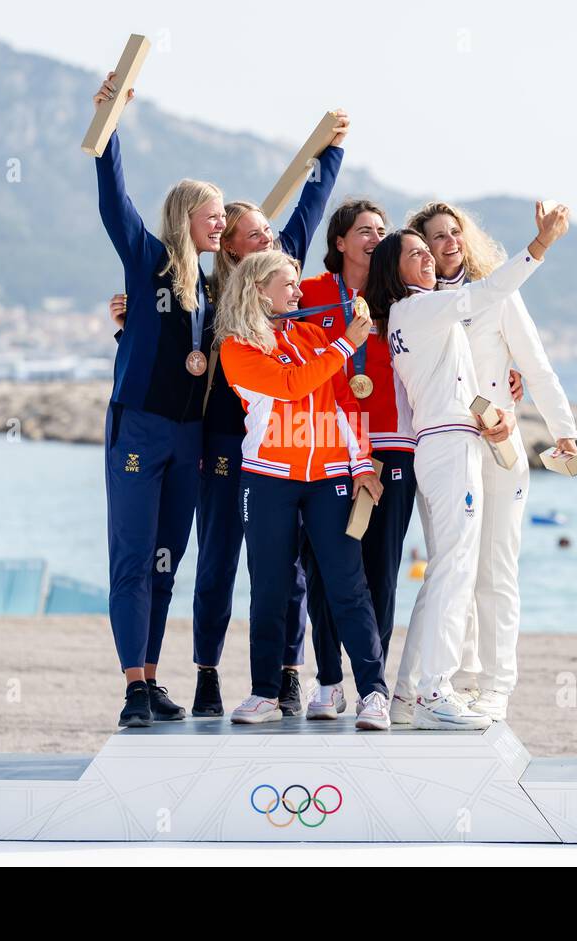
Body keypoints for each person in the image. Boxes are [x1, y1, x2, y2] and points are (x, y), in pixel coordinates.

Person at [363, 201, 570, 729]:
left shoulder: (413, 315)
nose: (441, 249)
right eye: (423, 246)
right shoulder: (430, 307)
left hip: (449, 447)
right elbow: (482, 296)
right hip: (454, 446)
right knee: (456, 570)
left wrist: (517, 403)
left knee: (459, 571)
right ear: (404, 266)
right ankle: (435, 690)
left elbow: (517, 363)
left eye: (454, 235)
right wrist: (541, 245)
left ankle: (412, 692)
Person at [192, 115, 350, 719]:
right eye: (252, 234)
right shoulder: (207, 295)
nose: (267, 241)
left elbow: (310, 208)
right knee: (218, 560)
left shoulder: (280, 276)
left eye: (267, 231)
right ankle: (208, 673)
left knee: (288, 564)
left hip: (280, 444)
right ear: (228, 245)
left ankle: (288, 673)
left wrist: (331, 152)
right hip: (224, 441)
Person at [91, 74, 225, 727]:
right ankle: (133, 687)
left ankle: (152, 679)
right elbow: (114, 202)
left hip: (190, 436)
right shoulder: (146, 260)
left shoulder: (212, 287)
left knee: (168, 561)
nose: (222, 223)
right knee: (133, 558)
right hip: (140, 428)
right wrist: (109, 125)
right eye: (213, 213)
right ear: (185, 216)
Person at [216, 251, 390, 729]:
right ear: (257, 290)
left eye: (297, 283)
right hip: (268, 477)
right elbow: (292, 386)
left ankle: (373, 693)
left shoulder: (313, 335)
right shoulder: (237, 347)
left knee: (348, 586)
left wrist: (359, 466)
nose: (297, 293)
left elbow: (339, 404)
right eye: (288, 284)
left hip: (329, 478)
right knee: (270, 589)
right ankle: (264, 693)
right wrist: (341, 346)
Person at [288, 199, 411, 719]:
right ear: (339, 241)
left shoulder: (400, 293)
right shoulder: (310, 293)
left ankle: (373, 688)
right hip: (329, 442)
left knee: (379, 569)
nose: (374, 238)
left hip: (389, 443)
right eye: (364, 230)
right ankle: (330, 681)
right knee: (325, 568)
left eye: (381, 231)